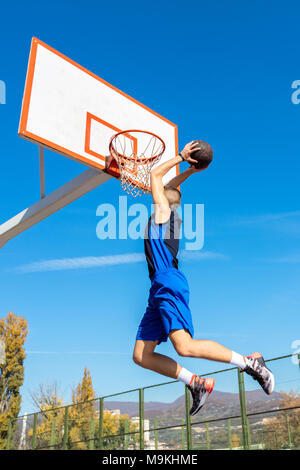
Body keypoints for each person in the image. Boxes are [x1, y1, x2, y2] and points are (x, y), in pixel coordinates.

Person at [133, 141, 275, 416]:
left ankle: (249, 363)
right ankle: (194, 382)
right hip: (159, 287)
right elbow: (168, 184)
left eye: (165, 191)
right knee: (141, 355)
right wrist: (190, 170)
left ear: (168, 198)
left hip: (166, 282)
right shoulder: (170, 216)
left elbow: (155, 177)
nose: (160, 190)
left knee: (183, 346)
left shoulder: (164, 213)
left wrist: (181, 157)